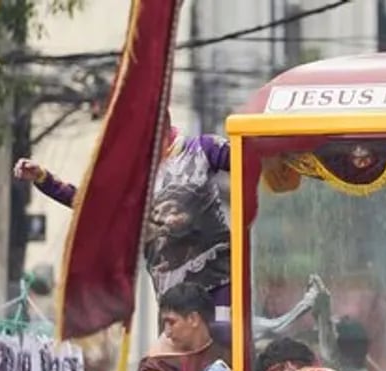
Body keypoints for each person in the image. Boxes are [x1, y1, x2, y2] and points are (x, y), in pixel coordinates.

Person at [15, 114, 234, 321]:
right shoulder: (133, 178)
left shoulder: (202, 149)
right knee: (173, 348)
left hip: (218, 280)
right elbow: (89, 203)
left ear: (163, 129)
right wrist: (43, 178)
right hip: (172, 294)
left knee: (223, 338)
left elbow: (247, 159)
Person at [138, 283, 230, 371]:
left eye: (171, 322)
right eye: (164, 323)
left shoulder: (227, 357)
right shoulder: (160, 360)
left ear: (193, 319)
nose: (167, 332)